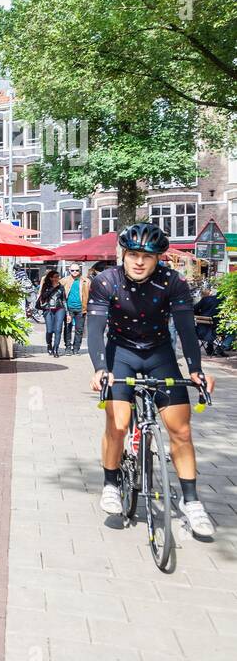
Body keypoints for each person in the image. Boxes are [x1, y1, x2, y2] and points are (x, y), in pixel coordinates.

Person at [86, 223, 215, 536]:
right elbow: (95, 329)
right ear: (124, 255)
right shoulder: (106, 281)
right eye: (132, 254)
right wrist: (100, 367)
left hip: (159, 353)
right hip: (121, 354)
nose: (139, 261)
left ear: (159, 258)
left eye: (147, 255)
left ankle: (191, 501)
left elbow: (186, 328)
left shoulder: (173, 282)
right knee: (117, 424)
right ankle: (111, 484)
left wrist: (196, 369)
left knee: (181, 430)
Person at [37, 269, 67, 357]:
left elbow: (64, 300)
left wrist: (67, 313)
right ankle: (49, 345)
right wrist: (53, 287)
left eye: (58, 277)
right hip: (48, 309)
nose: (58, 278)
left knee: (58, 330)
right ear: (51, 278)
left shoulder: (61, 287)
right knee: (49, 330)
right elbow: (44, 296)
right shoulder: (46, 286)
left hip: (59, 309)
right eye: (56, 277)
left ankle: (55, 349)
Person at [60, 265, 89, 354]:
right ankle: (68, 347)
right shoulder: (64, 281)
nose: (75, 272)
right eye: (72, 270)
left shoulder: (85, 281)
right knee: (68, 328)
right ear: (69, 270)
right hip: (68, 309)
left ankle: (76, 348)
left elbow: (91, 294)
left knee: (79, 329)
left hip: (81, 308)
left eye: (77, 270)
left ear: (79, 270)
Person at [194, 285, 224, 356]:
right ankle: (220, 348)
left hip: (201, 330)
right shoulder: (219, 301)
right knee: (223, 329)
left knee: (211, 327)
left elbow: (194, 309)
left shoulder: (205, 299)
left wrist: (200, 314)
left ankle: (210, 349)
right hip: (213, 329)